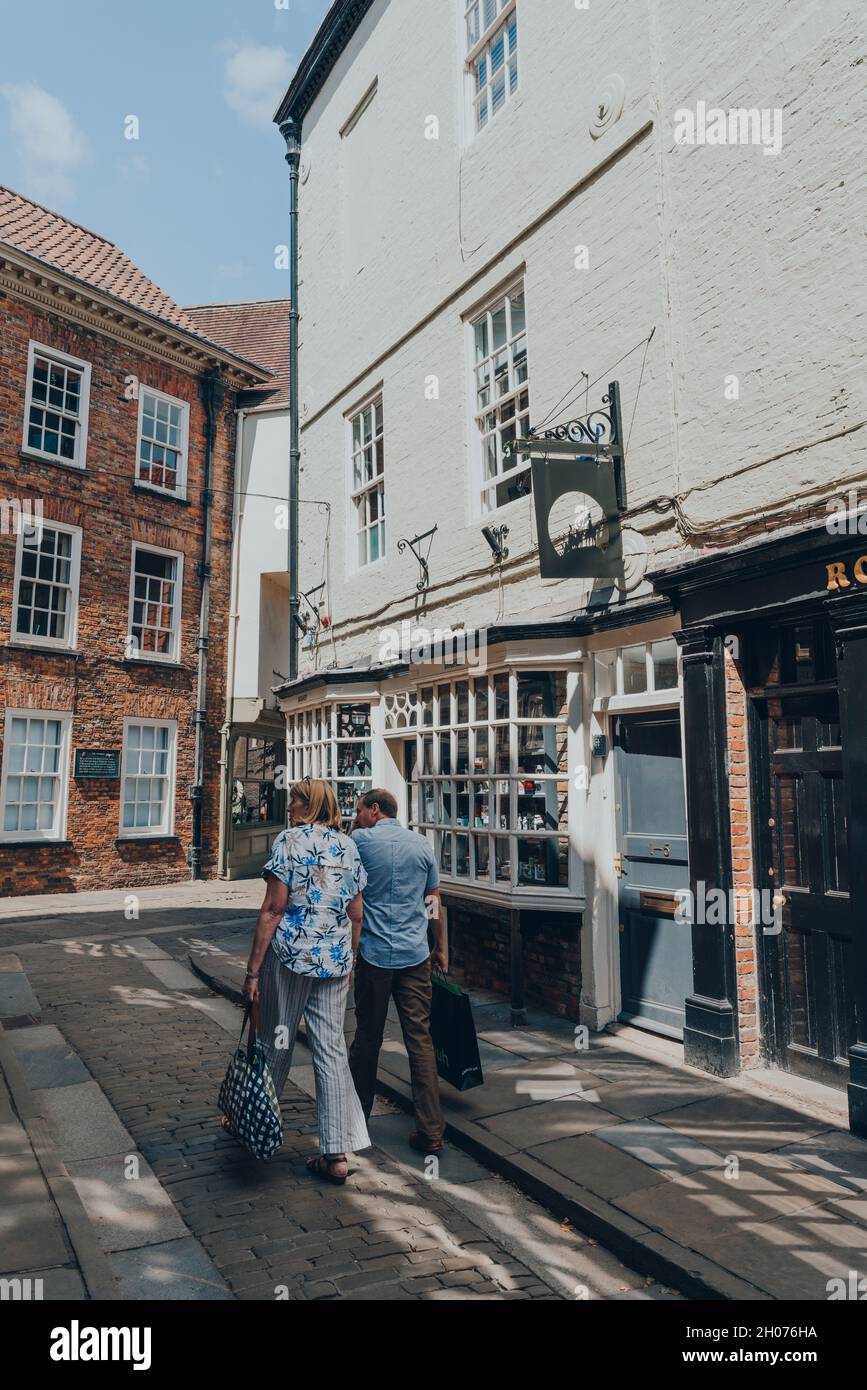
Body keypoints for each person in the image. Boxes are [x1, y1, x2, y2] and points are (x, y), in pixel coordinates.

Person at [239, 777, 370, 1184]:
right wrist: (350, 957)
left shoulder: (290, 841)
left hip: (292, 955)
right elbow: (357, 912)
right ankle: (335, 1153)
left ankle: (256, 1127)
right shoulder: (348, 846)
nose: (289, 805)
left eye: (294, 799)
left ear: (308, 804)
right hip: (334, 958)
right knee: (330, 1050)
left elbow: (274, 908)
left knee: (276, 1038)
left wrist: (253, 970)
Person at [349, 788, 447, 1155]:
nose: (357, 816)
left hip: (374, 956)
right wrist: (442, 947)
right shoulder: (421, 845)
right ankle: (431, 1130)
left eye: (360, 810)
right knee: (420, 1040)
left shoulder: (359, 841)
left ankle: (357, 1122)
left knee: (367, 1038)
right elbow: (433, 901)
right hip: (414, 955)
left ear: (374, 810)